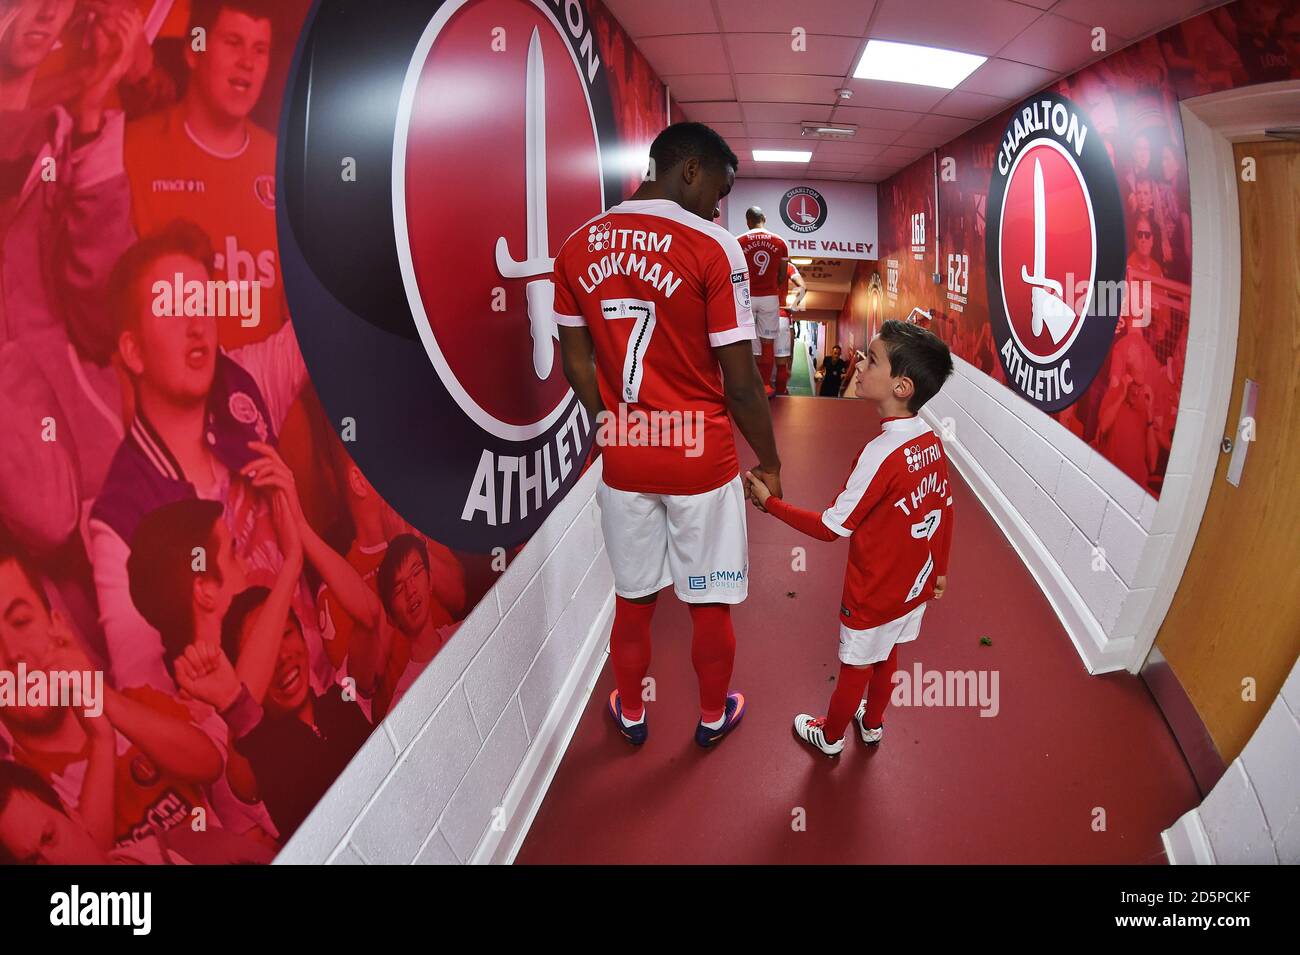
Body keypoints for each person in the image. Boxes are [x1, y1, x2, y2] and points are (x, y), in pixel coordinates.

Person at [553, 122, 780, 748]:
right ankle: (713, 716)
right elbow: (740, 383)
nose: (718, 206)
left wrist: (618, 423)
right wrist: (773, 460)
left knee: (633, 598)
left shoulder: (575, 245)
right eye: (718, 189)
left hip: (625, 456)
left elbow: (576, 364)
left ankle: (630, 711)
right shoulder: (712, 247)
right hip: (700, 458)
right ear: (687, 171)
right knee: (708, 602)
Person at [88, 220, 312, 692]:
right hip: (250, 749)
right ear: (133, 351)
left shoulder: (245, 380)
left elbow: (325, 326)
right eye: (171, 309)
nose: (196, 325)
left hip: (326, 682)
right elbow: (148, 695)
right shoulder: (119, 520)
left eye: (200, 303)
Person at [746, 320, 955, 757]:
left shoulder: (880, 454)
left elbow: (830, 528)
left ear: (901, 386)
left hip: (872, 593)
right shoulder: (932, 442)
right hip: (911, 587)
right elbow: (944, 510)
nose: (859, 363)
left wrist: (770, 504)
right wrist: (940, 570)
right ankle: (873, 725)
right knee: (889, 654)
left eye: (871, 359)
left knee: (856, 667)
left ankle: (831, 735)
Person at [0, 528, 226, 847]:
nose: (11, 654)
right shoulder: (21, 797)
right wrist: (101, 742)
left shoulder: (136, 703)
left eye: (21, 622)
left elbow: (209, 764)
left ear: (57, 625)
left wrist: (102, 699)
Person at [736, 206, 790, 396]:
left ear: (748, 221)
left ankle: (748, 386)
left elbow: (734, 271)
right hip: (769, 297)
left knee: (748, 342)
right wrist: (772, 285)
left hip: (746, 297)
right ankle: (766, 386)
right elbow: (783, 275)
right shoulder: (780, 242)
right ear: (764, 218)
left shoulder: (738, 241)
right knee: (767, 343)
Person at [772, 262, 806, 395]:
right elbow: (803, 287)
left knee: (759, 360)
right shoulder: (787, 266)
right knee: (781, 364)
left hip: (759, 315)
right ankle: (781, 395)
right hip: (781, 316)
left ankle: (762, 395)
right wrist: (794, 305)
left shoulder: (754, 261)